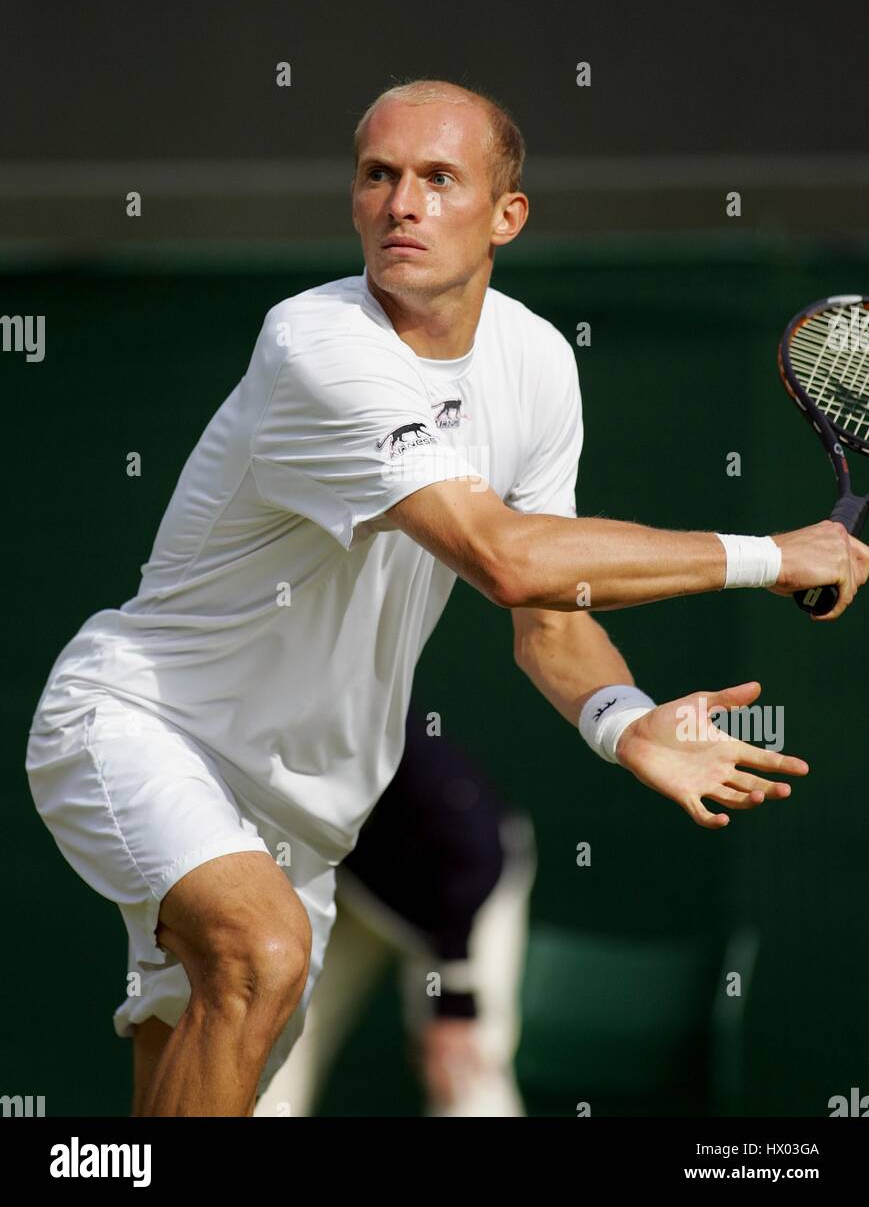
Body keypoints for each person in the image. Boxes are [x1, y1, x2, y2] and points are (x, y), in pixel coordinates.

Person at [25, 77, 868, 1118]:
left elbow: (551, 613)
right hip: (145, 724)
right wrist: (771, 556)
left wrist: (620, 720)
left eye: (436, 178)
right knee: (262, 950)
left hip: (311, 806)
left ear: (504, 214)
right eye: (377, 176)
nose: (400, 204)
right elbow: (507, 557)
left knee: (191, 1065)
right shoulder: (315, 345)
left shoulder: (537, 364)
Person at [254, 706, 537, 1118]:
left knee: (466, 1058)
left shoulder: (407, 748)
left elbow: (474, 857)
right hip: (356, 892)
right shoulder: (269, 724)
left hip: (462, 905)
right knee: (285, 1029)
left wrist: (455, 1003)